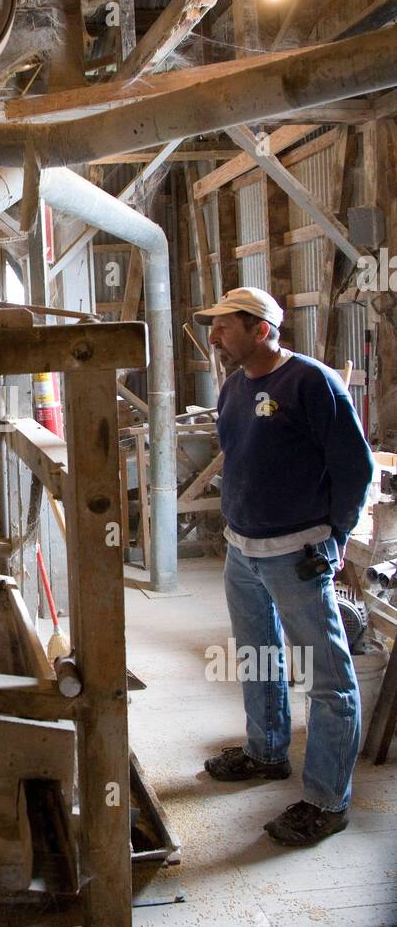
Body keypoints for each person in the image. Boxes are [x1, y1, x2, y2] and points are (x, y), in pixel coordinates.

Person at [193, 286, 374, 846]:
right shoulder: (234, 385)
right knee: (255, 656)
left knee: (328, 680)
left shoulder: (312, 382)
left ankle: (326, 801)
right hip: (242, 549)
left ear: (262, 330)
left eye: (226, 326)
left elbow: (355, 469)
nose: (215, 335)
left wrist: (335, 537)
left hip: (298, 551)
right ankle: (266, 751)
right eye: (215, 325)